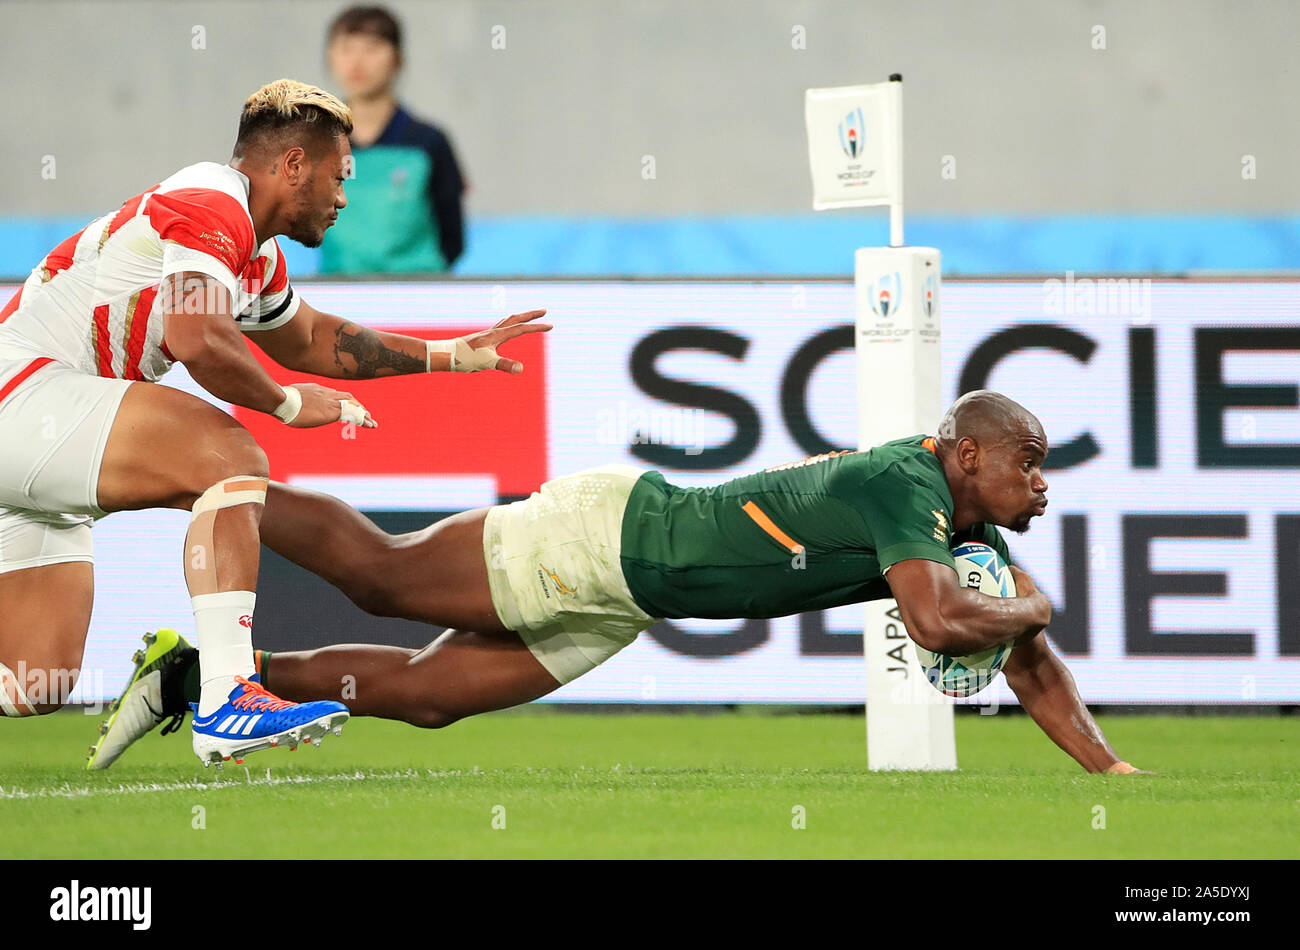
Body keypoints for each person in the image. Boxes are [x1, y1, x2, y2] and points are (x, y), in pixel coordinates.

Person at [94, 391, 1147, 774]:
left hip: (634, 595)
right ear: (967, 454)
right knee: (381, 575)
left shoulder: (964, 535)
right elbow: (941, 618)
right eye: (1031, 462)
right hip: (611, 532)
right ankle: (200, 479)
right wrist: (1031, 604)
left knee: (424, 698)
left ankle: (201, 676)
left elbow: (1027, 659)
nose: (1041, 483)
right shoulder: (900, 482)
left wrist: (1108, 772)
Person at [0, 77, 548, 769]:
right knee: (227, 453)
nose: (344, 197)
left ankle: (226, 693)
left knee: (35, 680)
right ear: (292, 165)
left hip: (39, 435)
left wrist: (448, 354)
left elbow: (311, 340)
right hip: (22, 401)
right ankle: (229, 695)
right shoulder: (210, 200)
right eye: (338, 176)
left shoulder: (252, 253)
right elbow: (199, 338)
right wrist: (287, 404)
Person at [321, 5, 467, 274]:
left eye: (372, 48)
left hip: (416, 301)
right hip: (336, 298)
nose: (357, 61)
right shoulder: (317, 143)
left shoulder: (429, 143)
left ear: (397, 59)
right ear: (331, 58)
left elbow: (452, 237)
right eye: (346, 48)